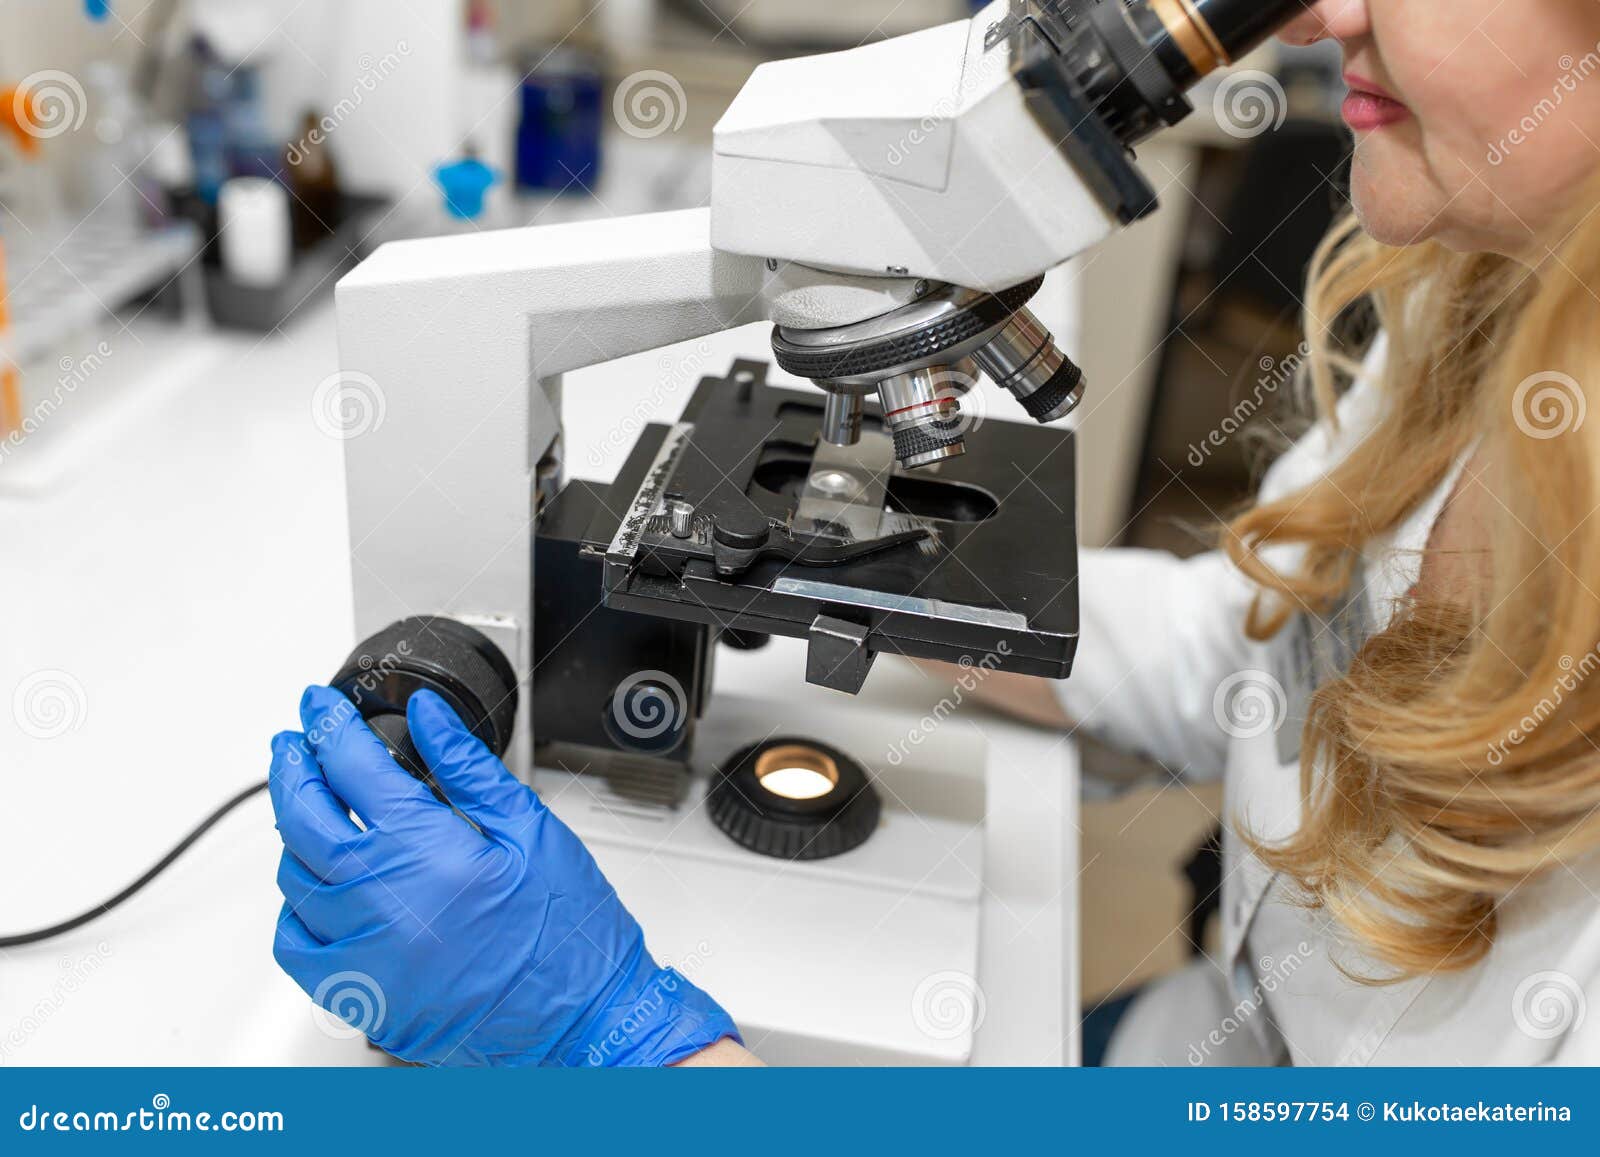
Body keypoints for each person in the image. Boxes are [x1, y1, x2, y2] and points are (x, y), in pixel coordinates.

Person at [269, 0, 1600, 1066]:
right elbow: (1270, 660)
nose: (1326, 20)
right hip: (1199, 1040)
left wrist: (609, 1041)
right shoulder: (1490, 306)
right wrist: (863, 577)